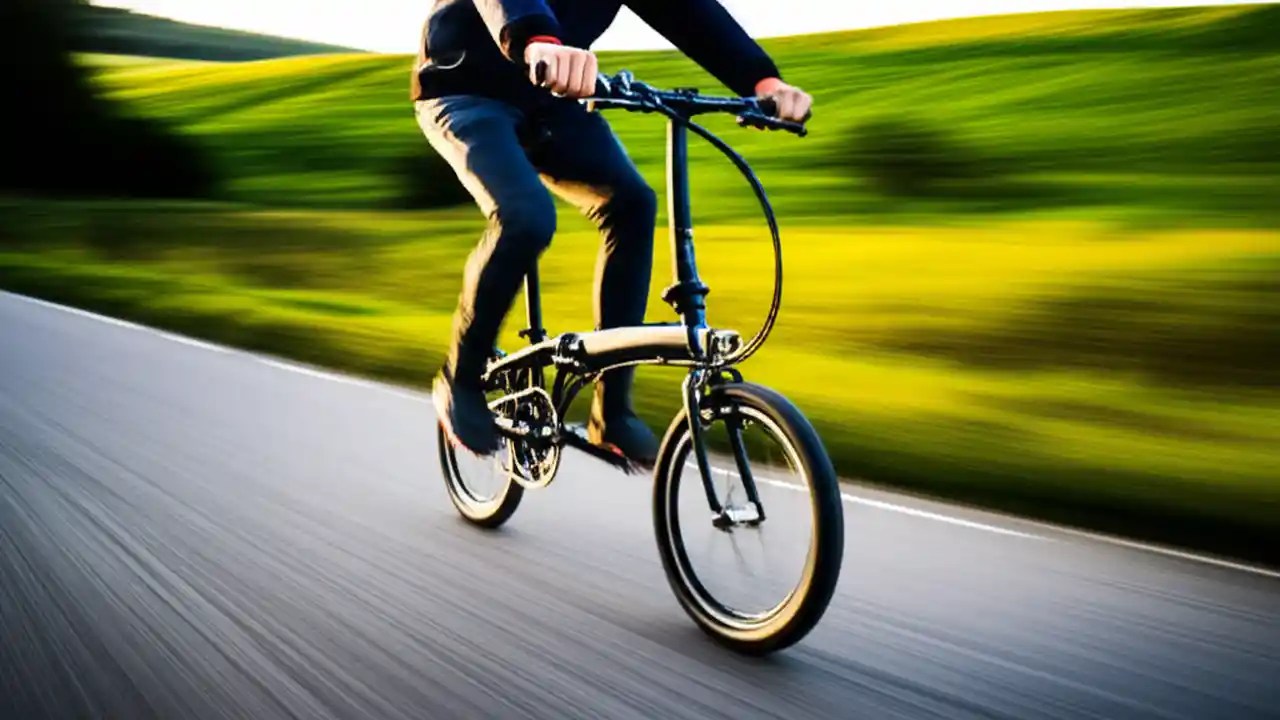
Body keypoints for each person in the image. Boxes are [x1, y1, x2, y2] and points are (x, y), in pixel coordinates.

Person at [414, 0, 812, 467]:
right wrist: (537, 37)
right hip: (463, 87)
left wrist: (761, 81)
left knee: (632, 204)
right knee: (526, 216)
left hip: (550, 99)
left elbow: (691, 14)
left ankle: (613, 410)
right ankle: (460, 377)